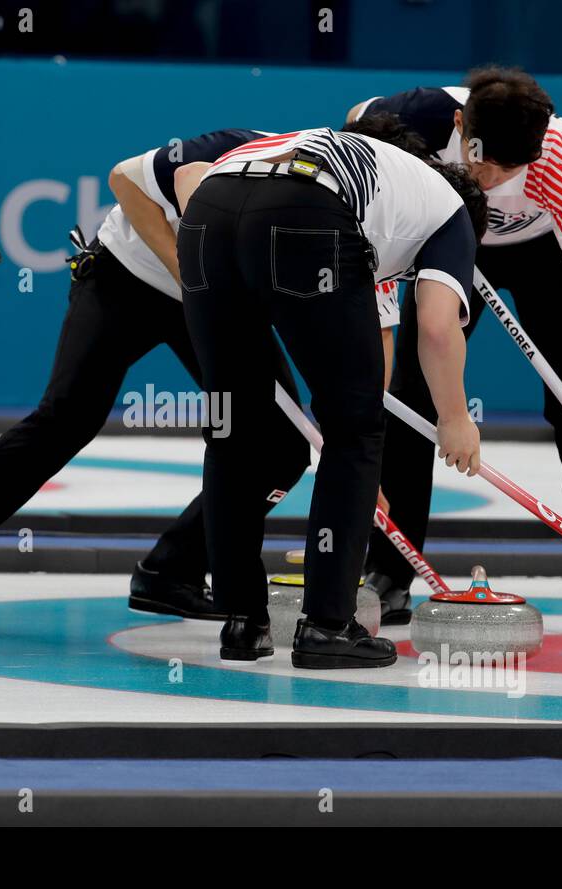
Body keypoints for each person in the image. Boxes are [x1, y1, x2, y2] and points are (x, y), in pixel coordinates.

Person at [0, 129, 311, 621]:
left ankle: (173, 570)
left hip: (213, 298)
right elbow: (124, 180)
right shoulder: (244, 147)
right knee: (65, 420)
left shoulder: (345, 220)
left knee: (283, 446)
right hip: (126, 277)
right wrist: (191, 274)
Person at [173, 124, 487, 668]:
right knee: (354, 430)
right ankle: (326, 626)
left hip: (207, 213)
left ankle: (242, 623)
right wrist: (456, 419)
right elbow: (437, 327)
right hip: (305, 210)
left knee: (231, 427)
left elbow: (188, 175)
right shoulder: (452, 215)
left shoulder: (391, 182)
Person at [346, 67, 562, 636]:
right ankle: (390, 569)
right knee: (411, 401)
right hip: (453, 237)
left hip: (538, 257)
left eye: (512, 169)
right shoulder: (419, 116)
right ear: (461, 126)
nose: (492, 177)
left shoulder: (556, 154)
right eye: (484, 162)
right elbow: (357, 123)